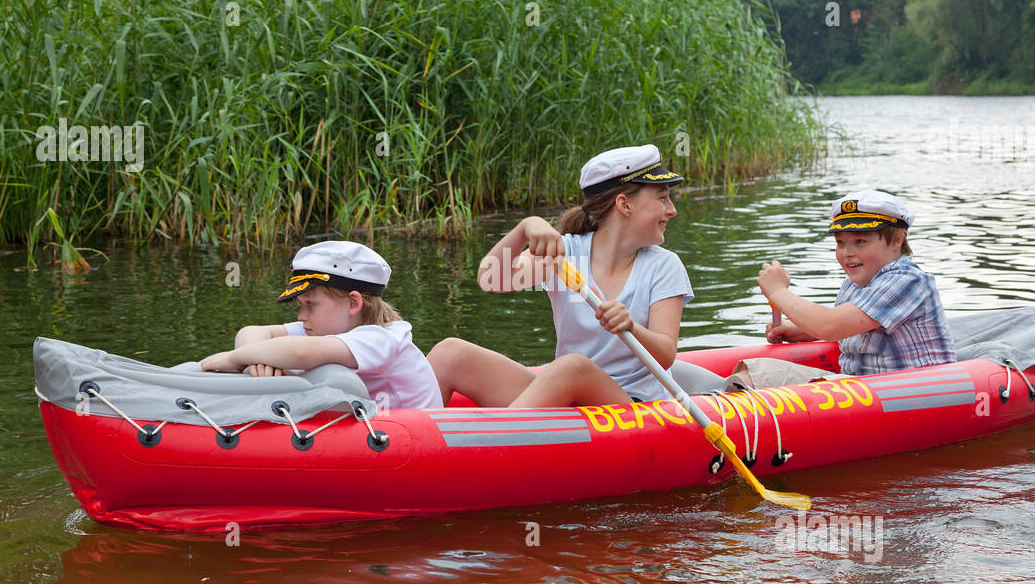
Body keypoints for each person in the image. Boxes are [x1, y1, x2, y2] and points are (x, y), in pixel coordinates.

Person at [427, 144, 694, 407]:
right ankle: (409, 442)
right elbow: (491, 279)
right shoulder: (566, 253)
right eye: (662, 198)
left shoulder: (665, 266)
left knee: (573, 367)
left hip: (631, 406)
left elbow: (665, 355)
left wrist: (631, 328)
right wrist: (524, 228)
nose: (672, 209)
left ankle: (497, 442)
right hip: (567, 396)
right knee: (450, 352)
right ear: (624, 205)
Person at [742, 190, 956, 388]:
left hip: (908, 391)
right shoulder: (857, 281)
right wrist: (802, 331)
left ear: (897, 240)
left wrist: (778, 291)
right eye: (840, 243)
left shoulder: (907, 281)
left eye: (860, 241)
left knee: (756, 375)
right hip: (865, 388)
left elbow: (830, 325)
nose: (847, 253)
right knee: (750, 373)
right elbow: (850, 327)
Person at [200, 240, 443, 409]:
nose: (301, 316)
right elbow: (252, 331)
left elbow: (299, 352)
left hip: (410, 437)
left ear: (353, 303)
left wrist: (234, 358)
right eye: (300, 305)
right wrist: (259, 361)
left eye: (310, 305)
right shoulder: (326, 327)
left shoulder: (379, 339)